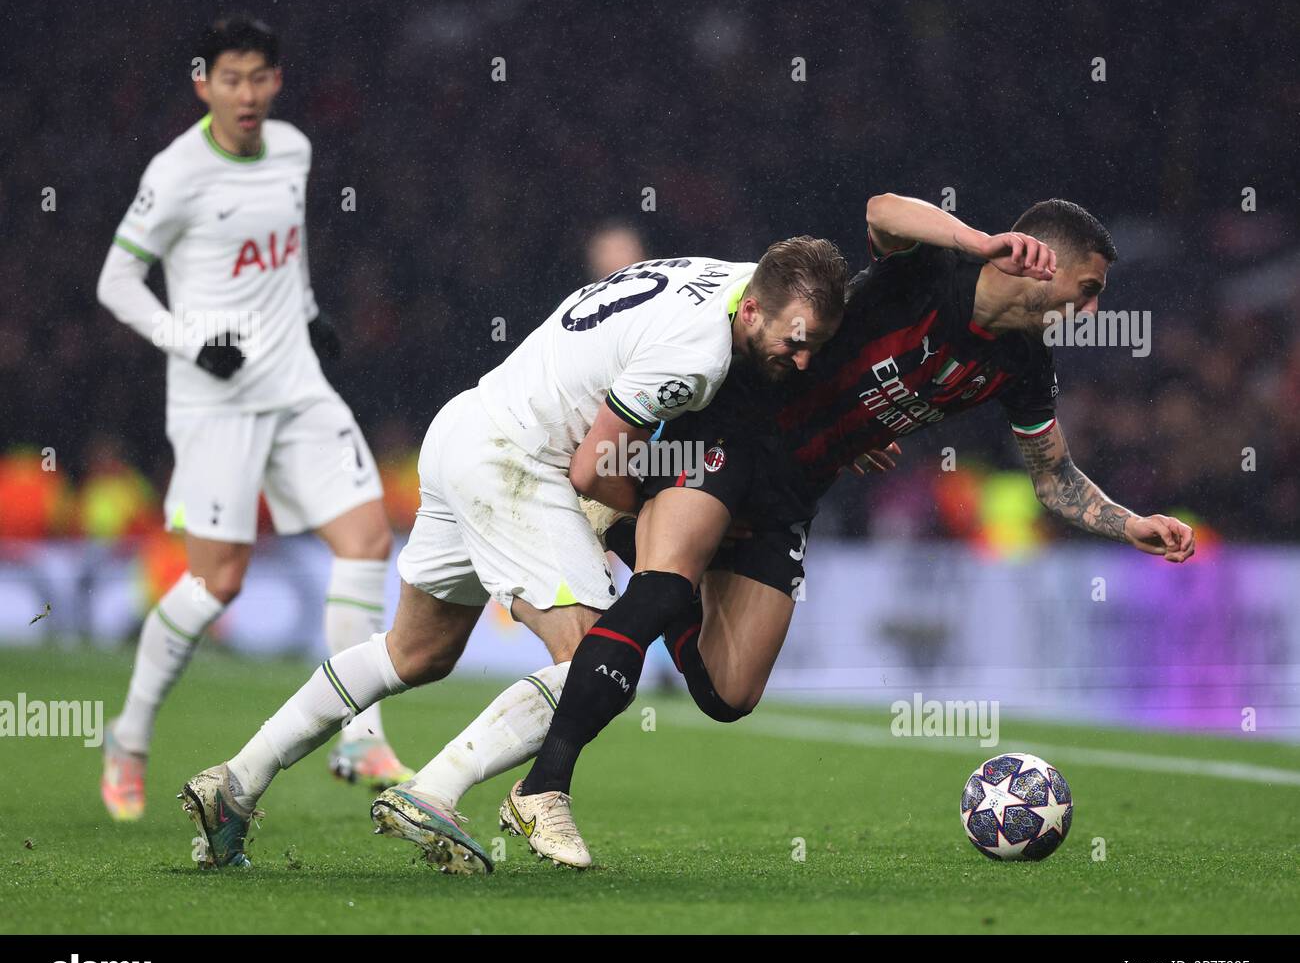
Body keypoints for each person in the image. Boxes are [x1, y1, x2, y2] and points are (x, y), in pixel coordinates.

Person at [490, 194, 1195, 867]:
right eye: (1089, 287)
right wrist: (978, 240)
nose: (1094, 309)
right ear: (1040, 260)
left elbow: (1053, 475)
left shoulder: (1025, 363)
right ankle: (543, 787)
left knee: (727, 694)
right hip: (740, 428)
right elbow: (881, 212)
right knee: (664, 588)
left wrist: (1131, 523)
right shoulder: (936, 268)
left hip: (796, 490)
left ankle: (628, 536)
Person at [179, 239, 849, 871]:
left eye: (814, 346)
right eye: (796, 344)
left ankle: (234, 784)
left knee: (415, 652)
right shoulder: (696, 356)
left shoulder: (735, 280)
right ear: (756, 311)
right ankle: (435, 790)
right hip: (518, 461)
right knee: (595, 654)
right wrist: (649, 526)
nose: (802, 361)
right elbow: (594, 470)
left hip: (466, 429)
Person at [95, 15, 407, 821]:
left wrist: (307, 310)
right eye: (228, 79)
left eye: (258, 77)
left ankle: (357, 735)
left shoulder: (294, 150)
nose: (245, 93)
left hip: (296, 384)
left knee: (368, 538)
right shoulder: (178, 172)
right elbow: (117, 282)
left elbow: (288, 249)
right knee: (216, 582)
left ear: (276, 81)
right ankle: (128, 737)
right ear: (204, 84)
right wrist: (189, 343)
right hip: (216, 402)